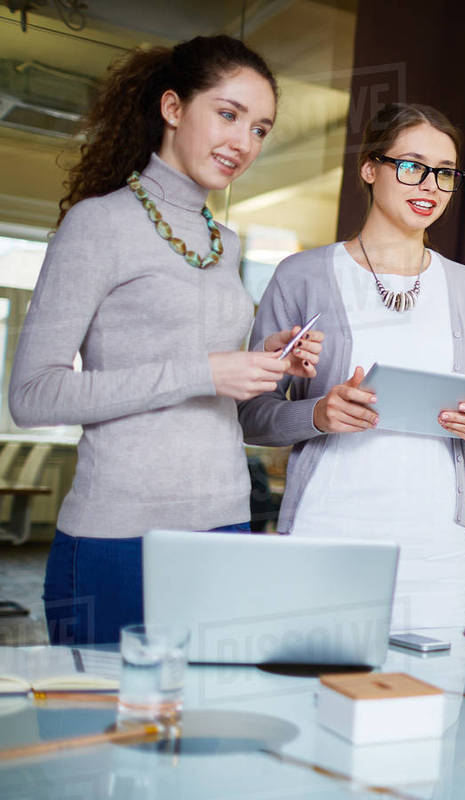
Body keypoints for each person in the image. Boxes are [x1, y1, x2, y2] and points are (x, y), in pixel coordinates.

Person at [9, 35, 321, 645]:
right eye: (227, 114)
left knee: (205, 732)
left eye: (260, 129)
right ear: (173, 108)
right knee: (105, 737)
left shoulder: (226, 244)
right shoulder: (98, 224)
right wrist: (204, 372)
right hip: (118, 538)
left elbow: (216, 385)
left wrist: (271, 360)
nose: (242, 142)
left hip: (224, 528)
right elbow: (33, 394)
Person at [238, 103, 465, 632]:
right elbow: (252, 414)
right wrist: (320, 413)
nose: (428, 183)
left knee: (432, 706)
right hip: (325, 533)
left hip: (435, 551)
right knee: (312, 697)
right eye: (410, 165)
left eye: (445, 172)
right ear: (369, 168)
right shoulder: (302, 276)